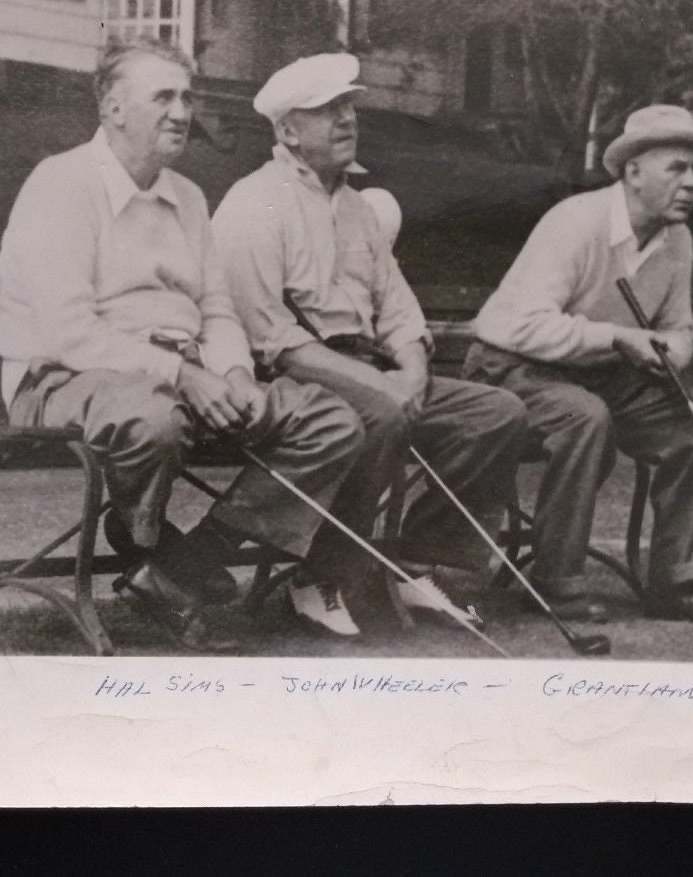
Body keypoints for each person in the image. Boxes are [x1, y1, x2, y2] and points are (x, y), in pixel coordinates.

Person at [0, 39, 376, 650]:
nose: (181, 111)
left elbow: (217, 310)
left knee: (331, 419)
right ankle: (146, 542)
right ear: (113, 108)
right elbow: (70, 332)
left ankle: (182, 565)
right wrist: (185, 375)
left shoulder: (189, 198)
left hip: (180, 378)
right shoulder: (61, 185)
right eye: (162, 96)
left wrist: (234, 375)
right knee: (154, 414)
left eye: (186, 97)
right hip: (62, 380)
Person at [211, 52, 529, 625]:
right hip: (292, 377)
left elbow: (400, 311)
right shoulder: (254, 202)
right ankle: (320, 578)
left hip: (373, 370)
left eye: (349, 105)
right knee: (380, 409)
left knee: (496, 412)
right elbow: (267, 334)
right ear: (287, 130)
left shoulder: (358, 207)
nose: (347, 119)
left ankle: (417, 563)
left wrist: (411, 372)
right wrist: (382, 386)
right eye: (327, 109)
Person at [464, 104, 693, 626]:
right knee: (584, 415)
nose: (692, 183)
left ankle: (679, 584)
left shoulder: (677, 239)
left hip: (597, 374)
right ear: (633, 172)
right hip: (510, 369)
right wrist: (618, 338)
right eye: (677, 168)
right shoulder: (576, 222)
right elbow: (517, 326)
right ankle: (554, 582)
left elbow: (678, 327)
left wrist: (673, 350)